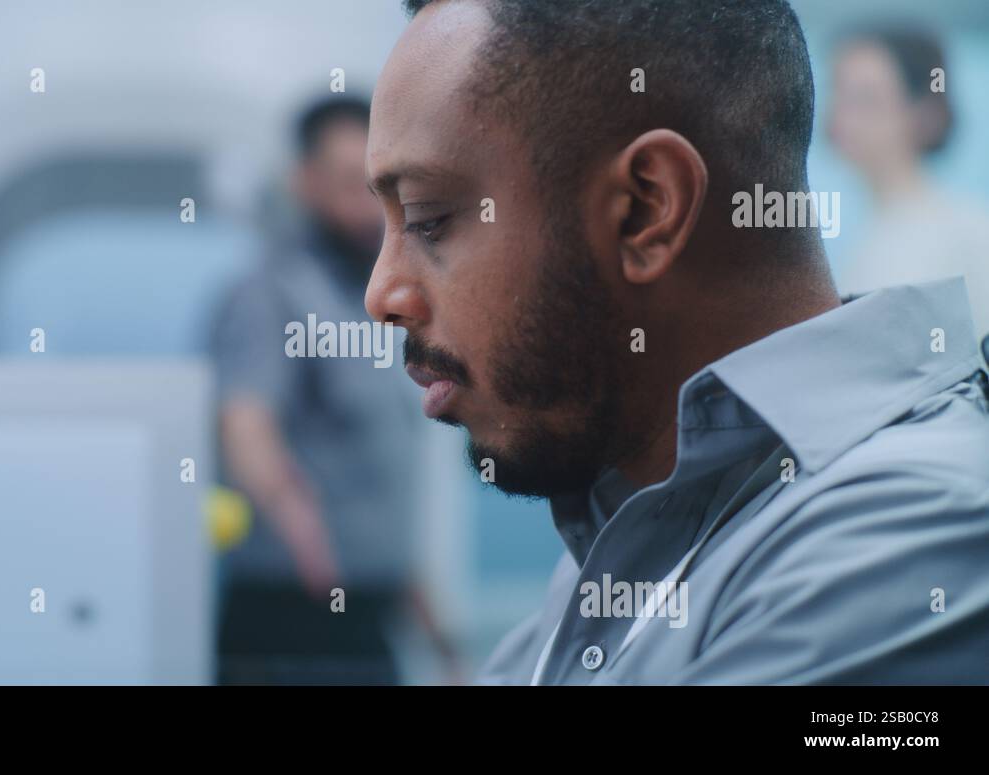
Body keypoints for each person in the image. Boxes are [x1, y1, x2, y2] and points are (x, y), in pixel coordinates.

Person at [364, 0, 989, 684]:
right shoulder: (624, 538)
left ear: (646, 207)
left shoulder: (902, 538)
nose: (382, 295)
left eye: (429, 218)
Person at [210, 96, 456, 685]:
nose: (370, 209)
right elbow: (244, 422)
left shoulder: (369, 302)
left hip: (367, 618)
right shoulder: (268, 293)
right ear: (305, 183)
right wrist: (298, 520)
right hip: (289, 620)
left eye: (379, 187)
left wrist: (440, 640)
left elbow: (376, 484)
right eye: (351, 184)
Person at [829, 25, 989, 342]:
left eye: (866, 99)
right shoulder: (866, 237)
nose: (843, 116)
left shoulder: (969, 231)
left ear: (924, 113)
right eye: (839, 93)